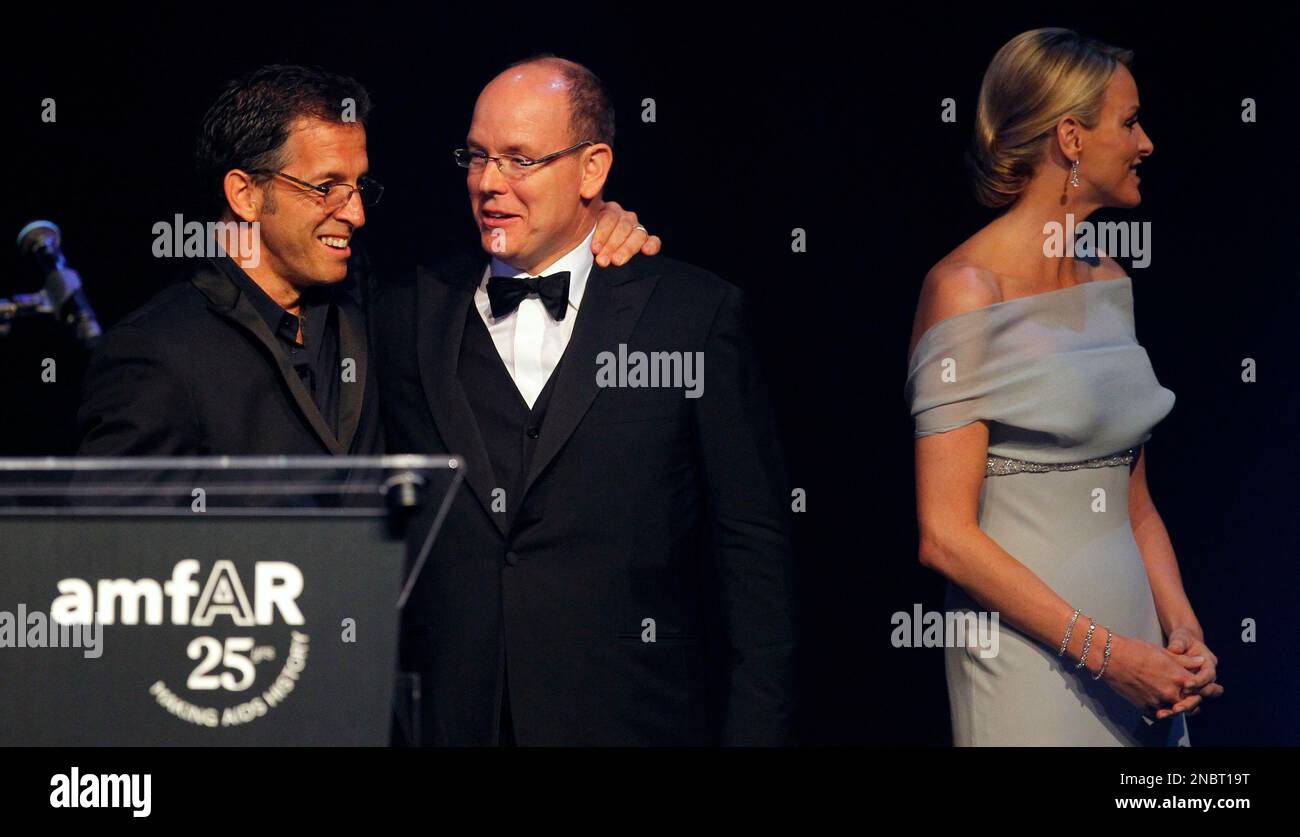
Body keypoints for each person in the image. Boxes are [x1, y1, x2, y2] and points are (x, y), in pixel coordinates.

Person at [375, 55, 795, 745]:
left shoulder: (691, 314)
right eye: (477, 157)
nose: (488, 183)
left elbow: (753, 553)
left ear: (593, 169)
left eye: (519, 159)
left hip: (633, 720)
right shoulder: (407, 313)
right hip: (451, 722)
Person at [905, 28, 1223, 746]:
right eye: (1130, 122)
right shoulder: (965, 291)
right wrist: (1110, 658)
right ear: (1071, 138)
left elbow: (1135, 502)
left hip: (1144, 664)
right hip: (1033, 663)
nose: (1146, 144)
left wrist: (1182, 631)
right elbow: (945, 536)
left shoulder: (1111, 282)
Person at [77, 64, 657, 456]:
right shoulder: (155, 354)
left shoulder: (373, 306)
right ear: (245, 194)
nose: (354, 212)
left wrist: (594, 216)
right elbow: (122, 574)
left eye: (358, 186)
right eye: (326, 186)